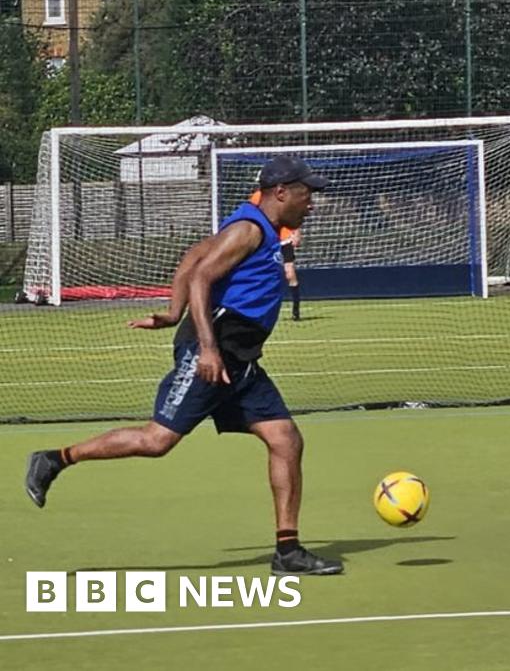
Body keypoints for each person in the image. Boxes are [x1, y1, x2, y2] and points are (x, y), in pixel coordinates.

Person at [25, 155, 343, 576]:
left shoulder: (257, 227)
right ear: (281, 192)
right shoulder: (249, 230)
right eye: (306, 193)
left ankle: (288, 551)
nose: (311, 203)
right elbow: (201, 276)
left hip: (241, 360)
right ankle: (55, 459)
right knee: (156, 441)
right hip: (211, 354)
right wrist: (206, 348)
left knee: (286, 439)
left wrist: (173, 313)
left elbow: (194, 255)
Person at [250, 189, 303, 321]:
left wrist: (296, 232)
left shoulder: (283, 195)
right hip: (270, 240)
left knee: (290, 273)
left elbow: (293, 213)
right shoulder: (257, 197)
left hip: (285, 240)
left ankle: (296, 311)